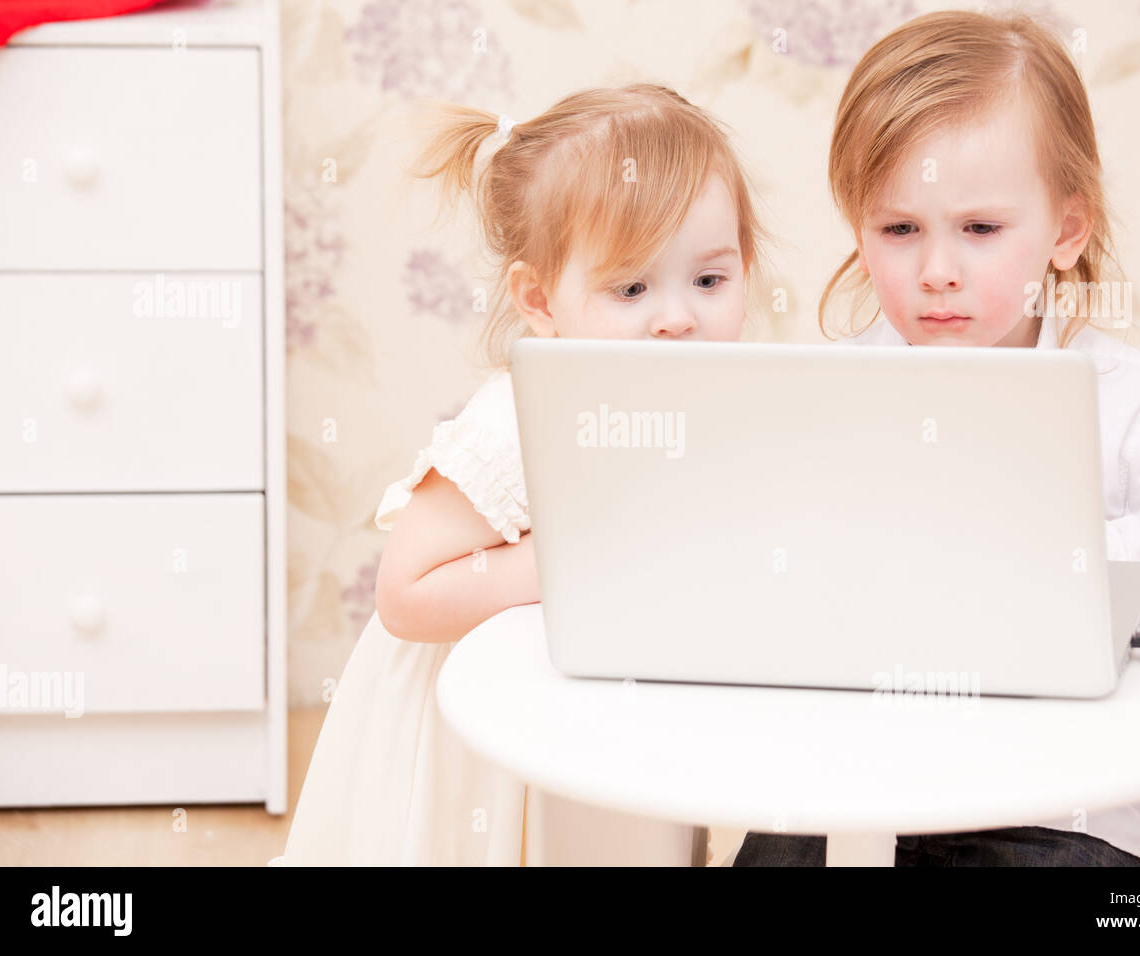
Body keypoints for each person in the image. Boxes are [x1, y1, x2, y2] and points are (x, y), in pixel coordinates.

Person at [733, 9, 1140, 868]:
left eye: (979, 230)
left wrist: (1064, 551)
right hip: (857, 780)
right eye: (899, 229)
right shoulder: (832, 392)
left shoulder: (1135, 406)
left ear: (1065, 231)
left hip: (1055, 808)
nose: (937, 268)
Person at [275, 83, 769, 864]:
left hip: (599, 707)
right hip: (480, 743)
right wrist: (567, 559)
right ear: (540, 299)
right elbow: (404, 595)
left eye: (709, 281)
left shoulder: (704, 404)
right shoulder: (518, 423)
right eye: (632, 288)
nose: (678, 318)